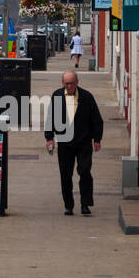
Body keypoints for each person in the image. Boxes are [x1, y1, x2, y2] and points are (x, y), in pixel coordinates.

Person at [44, 70, 104, 215]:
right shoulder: (57, 96)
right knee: (65, 175)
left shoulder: (87, 97)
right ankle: (68, 205)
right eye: (66, 83)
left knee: (84, 172)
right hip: (65, 142)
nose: (69, 86)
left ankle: (85, 204)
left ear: (77, 82)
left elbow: (97, 120)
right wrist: (49, 138)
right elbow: (51, 118)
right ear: (62, 83)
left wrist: (97, 139)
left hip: (83, 142)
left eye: (71, 83)